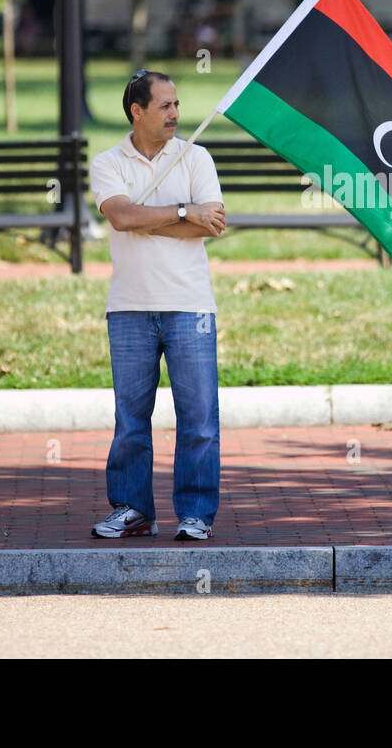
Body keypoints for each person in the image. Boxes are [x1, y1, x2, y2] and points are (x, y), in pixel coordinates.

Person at [88, 70, 227, 541]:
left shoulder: (196, 157)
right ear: (137, 111)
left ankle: (196, 514)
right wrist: (183, 211)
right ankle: (132, 509)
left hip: (190, 306)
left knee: (199, 418)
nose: (175, 114)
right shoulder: (108, 162)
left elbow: (212, 224)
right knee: (130, 419)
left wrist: (143, 221)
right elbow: (122, 214)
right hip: (129, 308)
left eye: (177, 104)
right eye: (165, 105)